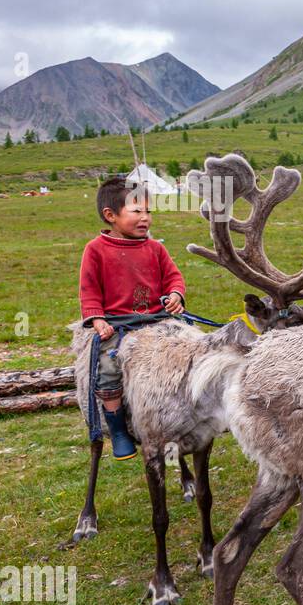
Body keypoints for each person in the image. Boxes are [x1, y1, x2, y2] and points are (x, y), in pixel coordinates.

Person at [79, 175, 187, 459]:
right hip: (118, 325)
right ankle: (118, 431)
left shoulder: (155, 248)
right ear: (110, 215)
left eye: (148, 211)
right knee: (108, 370)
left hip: (158, 320)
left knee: (191, 354)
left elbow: (173, 278)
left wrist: (175, 295)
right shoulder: (96, 251)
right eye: (137, 211)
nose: (146, 218)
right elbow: (89, 290)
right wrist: (96, 319)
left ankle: (187, 412)